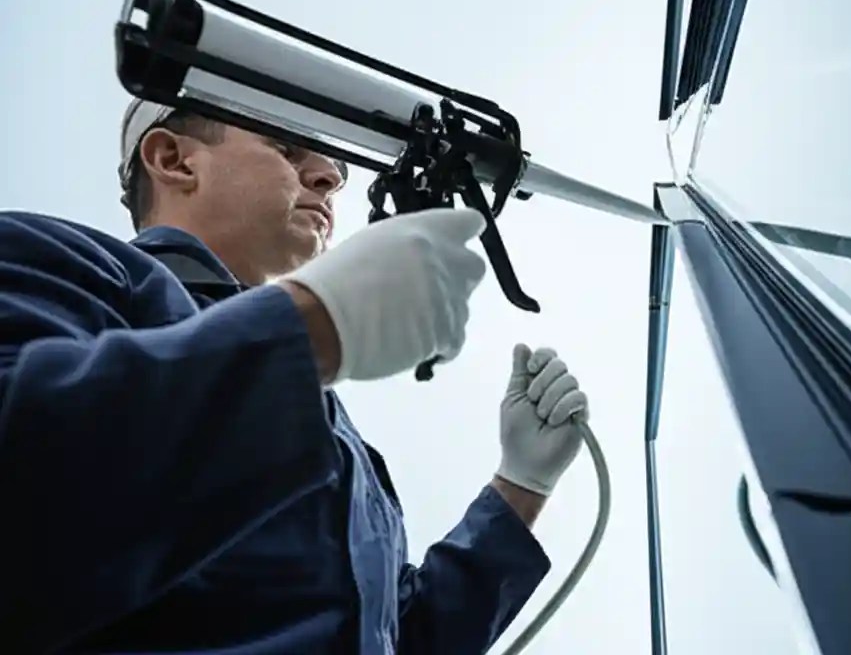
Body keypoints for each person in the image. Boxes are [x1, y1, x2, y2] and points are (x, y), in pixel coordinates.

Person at [0, 98, 593, 654]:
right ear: (174, 160)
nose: (331, 178)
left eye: (334, 166)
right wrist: (312, 330)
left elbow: (393, 635)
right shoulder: (57, 262)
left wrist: (520, 488)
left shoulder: (340, 434)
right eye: (286, 148)